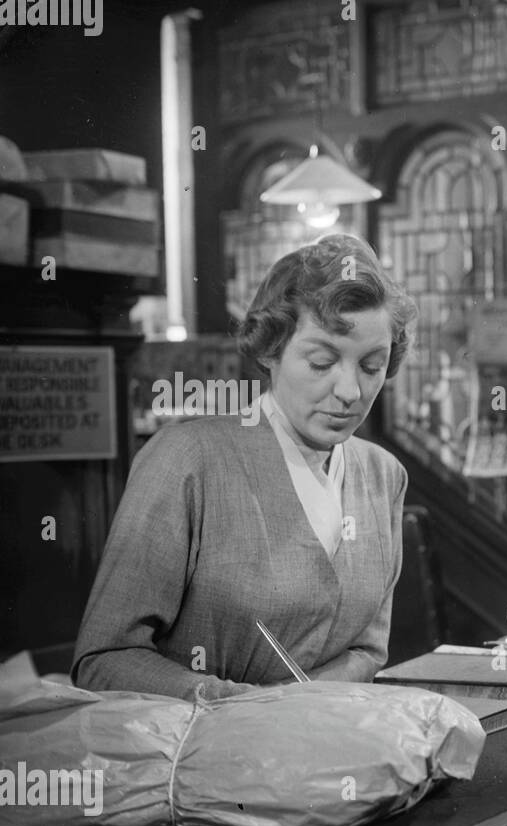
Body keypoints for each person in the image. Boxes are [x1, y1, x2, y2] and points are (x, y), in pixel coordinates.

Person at [72, 234, 415, 700]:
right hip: (195, 756)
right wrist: (240, 707)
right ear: (271, 350)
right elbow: (103, 660)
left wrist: (298, 710)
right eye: (321, 362)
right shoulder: (187, 459)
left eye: (371, 366)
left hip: (325, 750)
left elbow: (367, 651)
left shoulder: (383, 475)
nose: (351, 391)